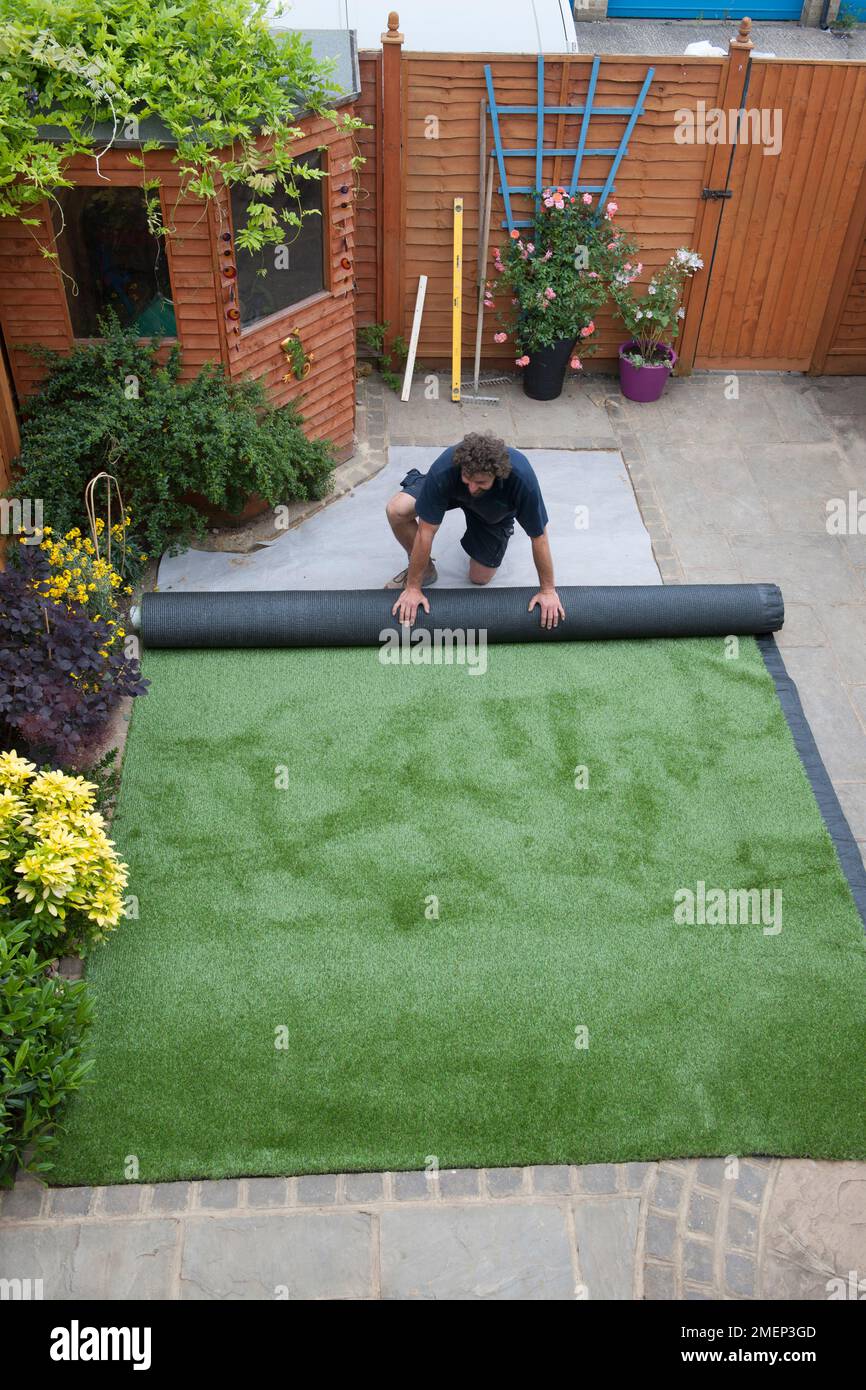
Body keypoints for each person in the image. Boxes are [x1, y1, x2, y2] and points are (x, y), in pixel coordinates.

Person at [384, 432, 565, 629]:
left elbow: (539, 537)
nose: (471, 488)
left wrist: (548, 591)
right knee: (397, 510)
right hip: (452, 491)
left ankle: (488, 529)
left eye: (480, 482)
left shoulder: (521, 478)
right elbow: (426, 532)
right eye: (468, 478)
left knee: (479, 578)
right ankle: (426, 569)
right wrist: (413, 588)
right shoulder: (446, 468)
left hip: (494, 513)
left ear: (497, 475)